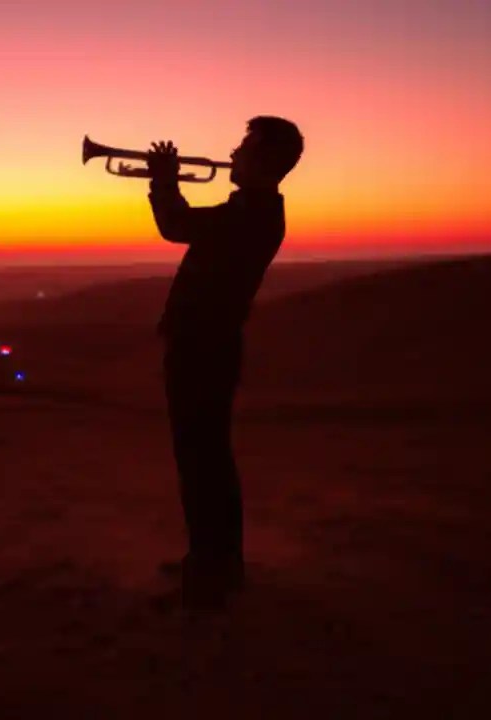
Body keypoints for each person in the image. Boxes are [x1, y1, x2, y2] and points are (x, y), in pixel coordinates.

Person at [147, 116, 304, 611]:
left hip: (206, 347)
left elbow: (176, 226)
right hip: (204, 344)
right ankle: (208, 560)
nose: (232, 155)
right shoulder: (249, 209)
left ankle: (215, 571)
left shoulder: (253, 214)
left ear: (264, 162)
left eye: (243, 148)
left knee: (204, 460)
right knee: (200, 458)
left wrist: (164, 180)